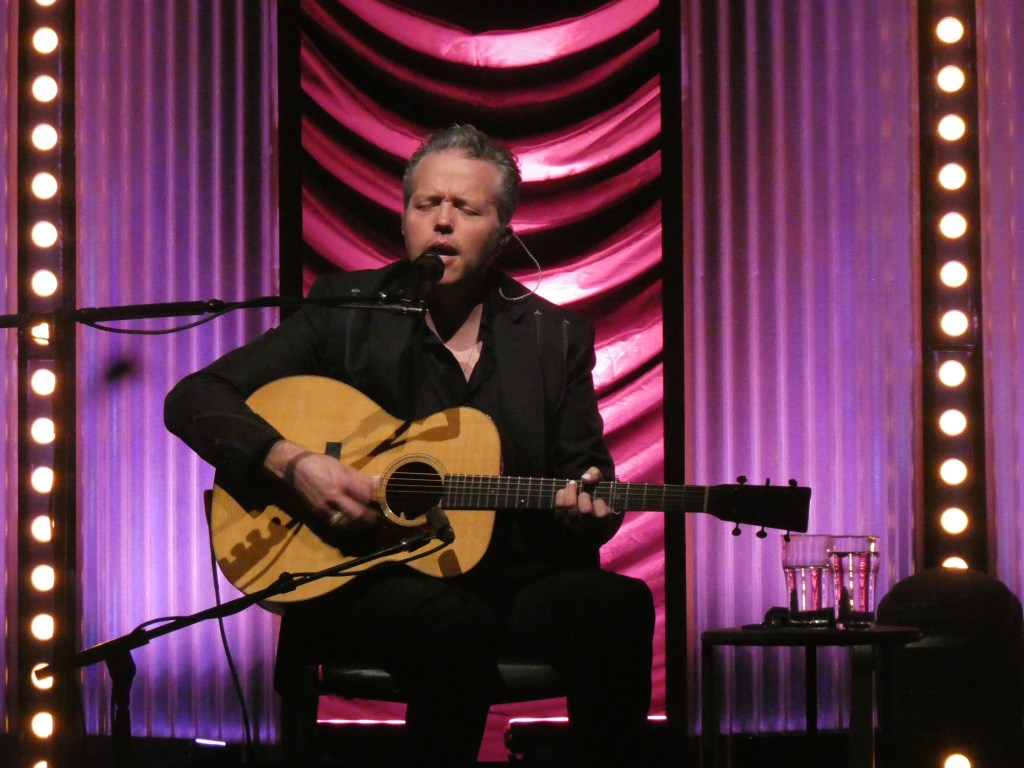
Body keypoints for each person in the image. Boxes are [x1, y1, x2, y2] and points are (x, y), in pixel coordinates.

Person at [164, 124, 655, 767]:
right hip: (364, 578)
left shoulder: (554, 335)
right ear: (403, 220)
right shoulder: (345, 312)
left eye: (466, 210)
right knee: (453, 624)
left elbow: (587, 479)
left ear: (502, 234)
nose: (443, 223)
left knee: (619, 605)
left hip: (509, 582)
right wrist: (294, 463)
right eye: (427, 206)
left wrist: (587, 509)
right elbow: (195, 398)